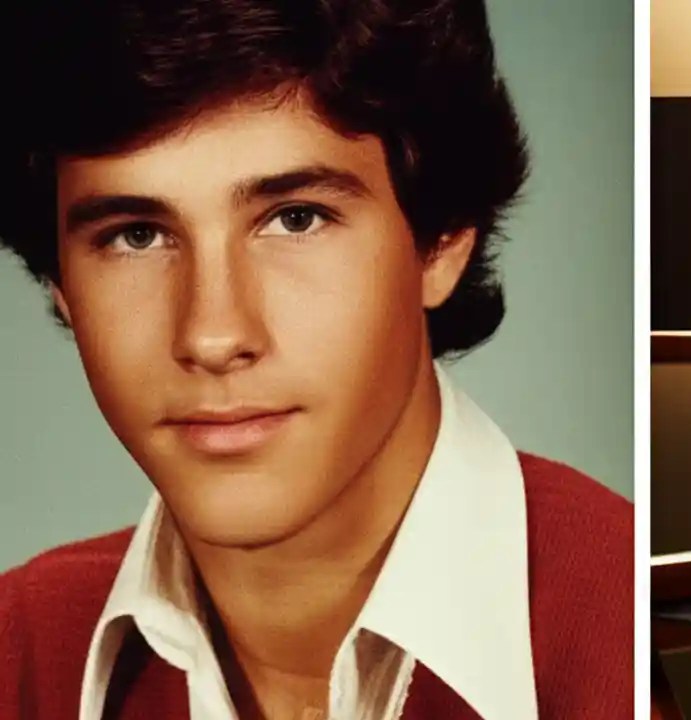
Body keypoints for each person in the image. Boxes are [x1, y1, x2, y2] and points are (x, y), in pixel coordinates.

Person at [0, 1, 633, 718]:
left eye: (294, 219)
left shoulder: (651, 637)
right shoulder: (18, 654)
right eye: (137, 235)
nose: (212, 334)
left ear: (442, 240)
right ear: (59, 283)